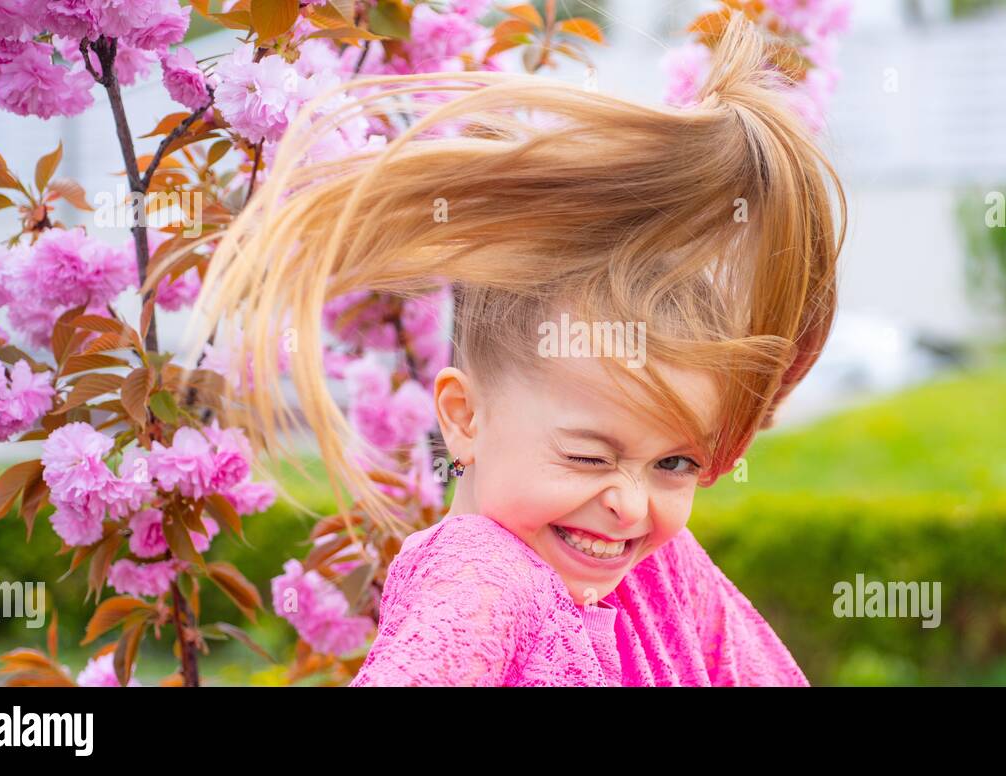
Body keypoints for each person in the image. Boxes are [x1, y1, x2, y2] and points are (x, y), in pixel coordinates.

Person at [181, 14, 844, 686]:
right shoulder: (480, 581)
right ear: (465, 418)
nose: (632, 505)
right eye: (590, 456)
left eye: (674, 462)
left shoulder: (662, 568)